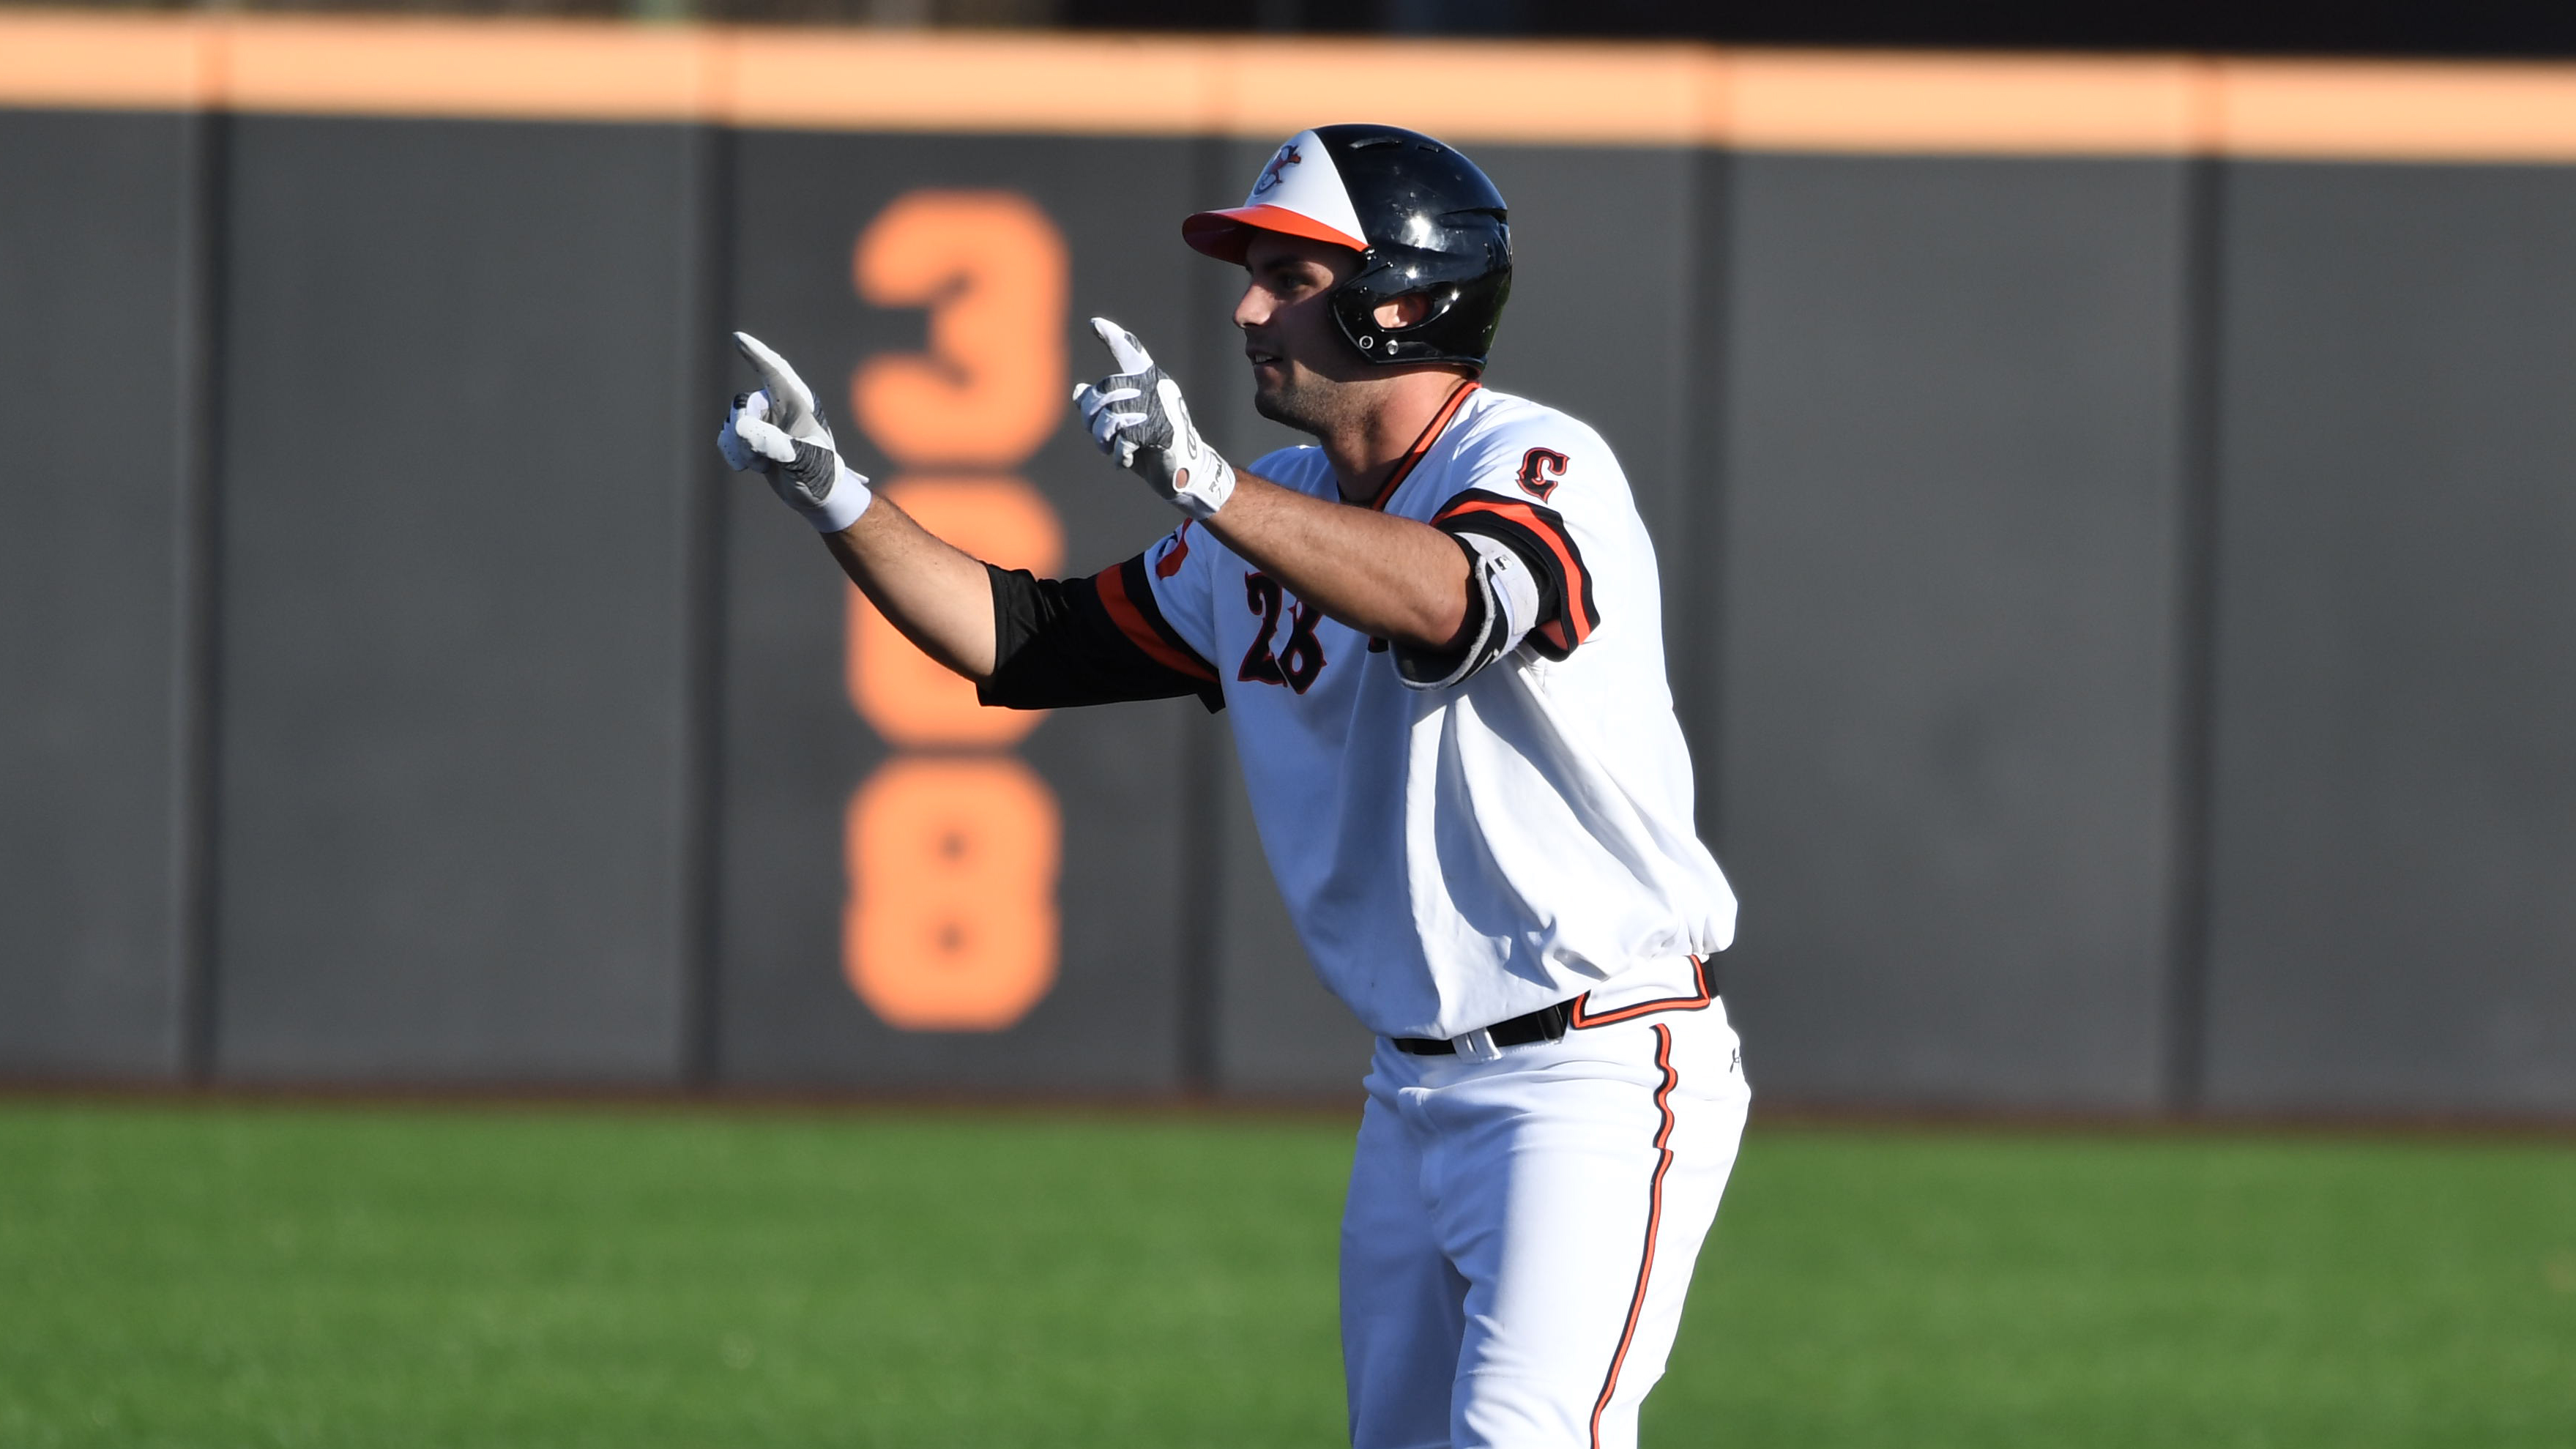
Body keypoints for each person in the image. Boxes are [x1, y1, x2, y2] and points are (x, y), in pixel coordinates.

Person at [720, 123, 1749, 1449]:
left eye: (1292, 273)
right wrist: (836, 497)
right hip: (1415, 1089)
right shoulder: (1272, 502)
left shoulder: (1538, 460)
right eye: (1253, 271)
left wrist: (1204, 484)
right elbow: (1026, 641)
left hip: (1598, 1069)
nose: (1250, 306)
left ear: (1407, 297)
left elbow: (1453, 601)